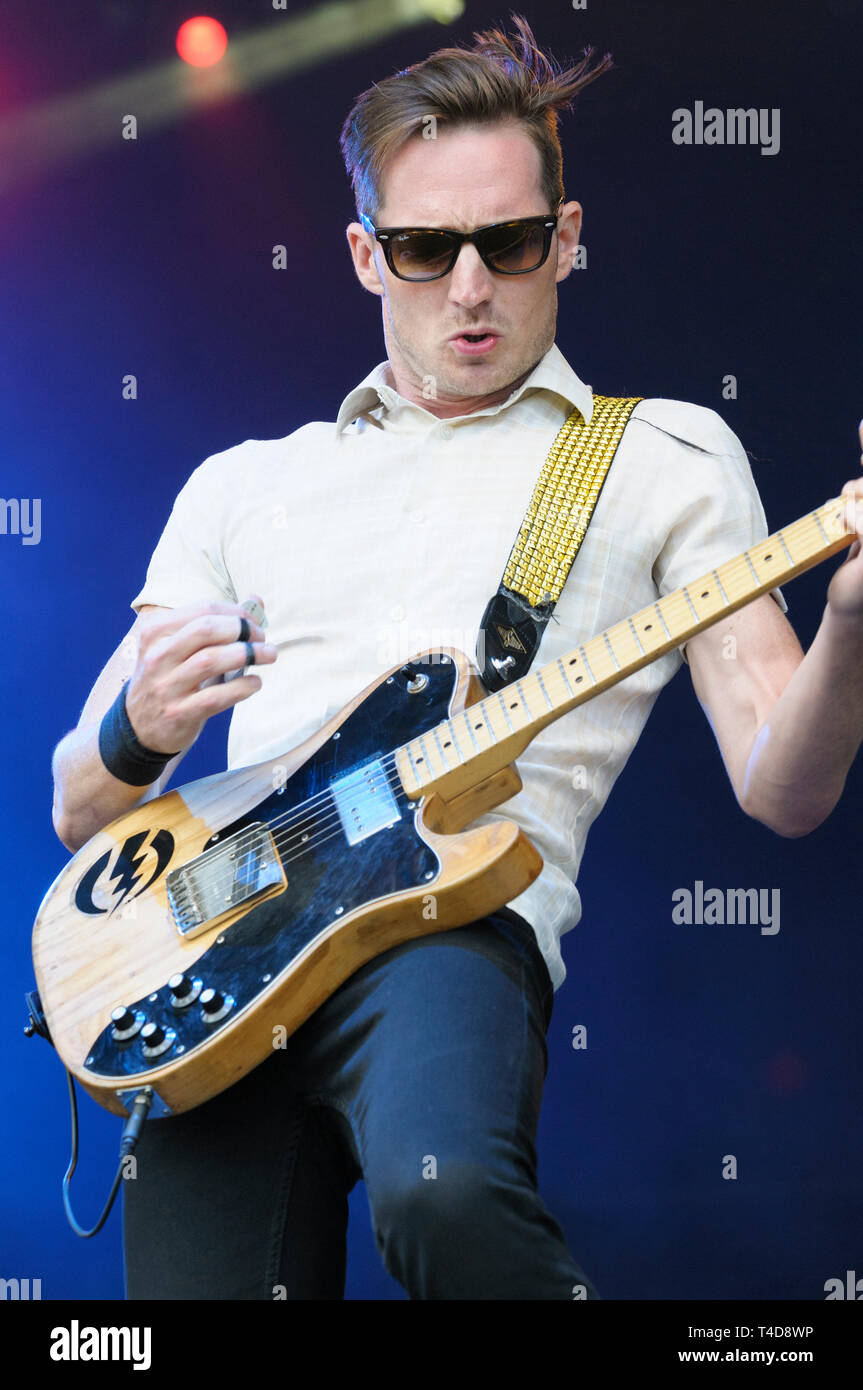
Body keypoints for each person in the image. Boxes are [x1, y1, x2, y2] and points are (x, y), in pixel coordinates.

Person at [50, 15, 863, 1300]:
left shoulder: (656, 453)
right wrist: (137, 725)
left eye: (512, 242)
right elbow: (78, 808)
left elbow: (782, 782)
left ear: (571, 235)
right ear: (367, 255)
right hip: (215, 953)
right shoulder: (246, 485)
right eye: (427, 250)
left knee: (450, 1196)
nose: (471, 287)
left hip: (450, 915)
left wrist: (854, 621)